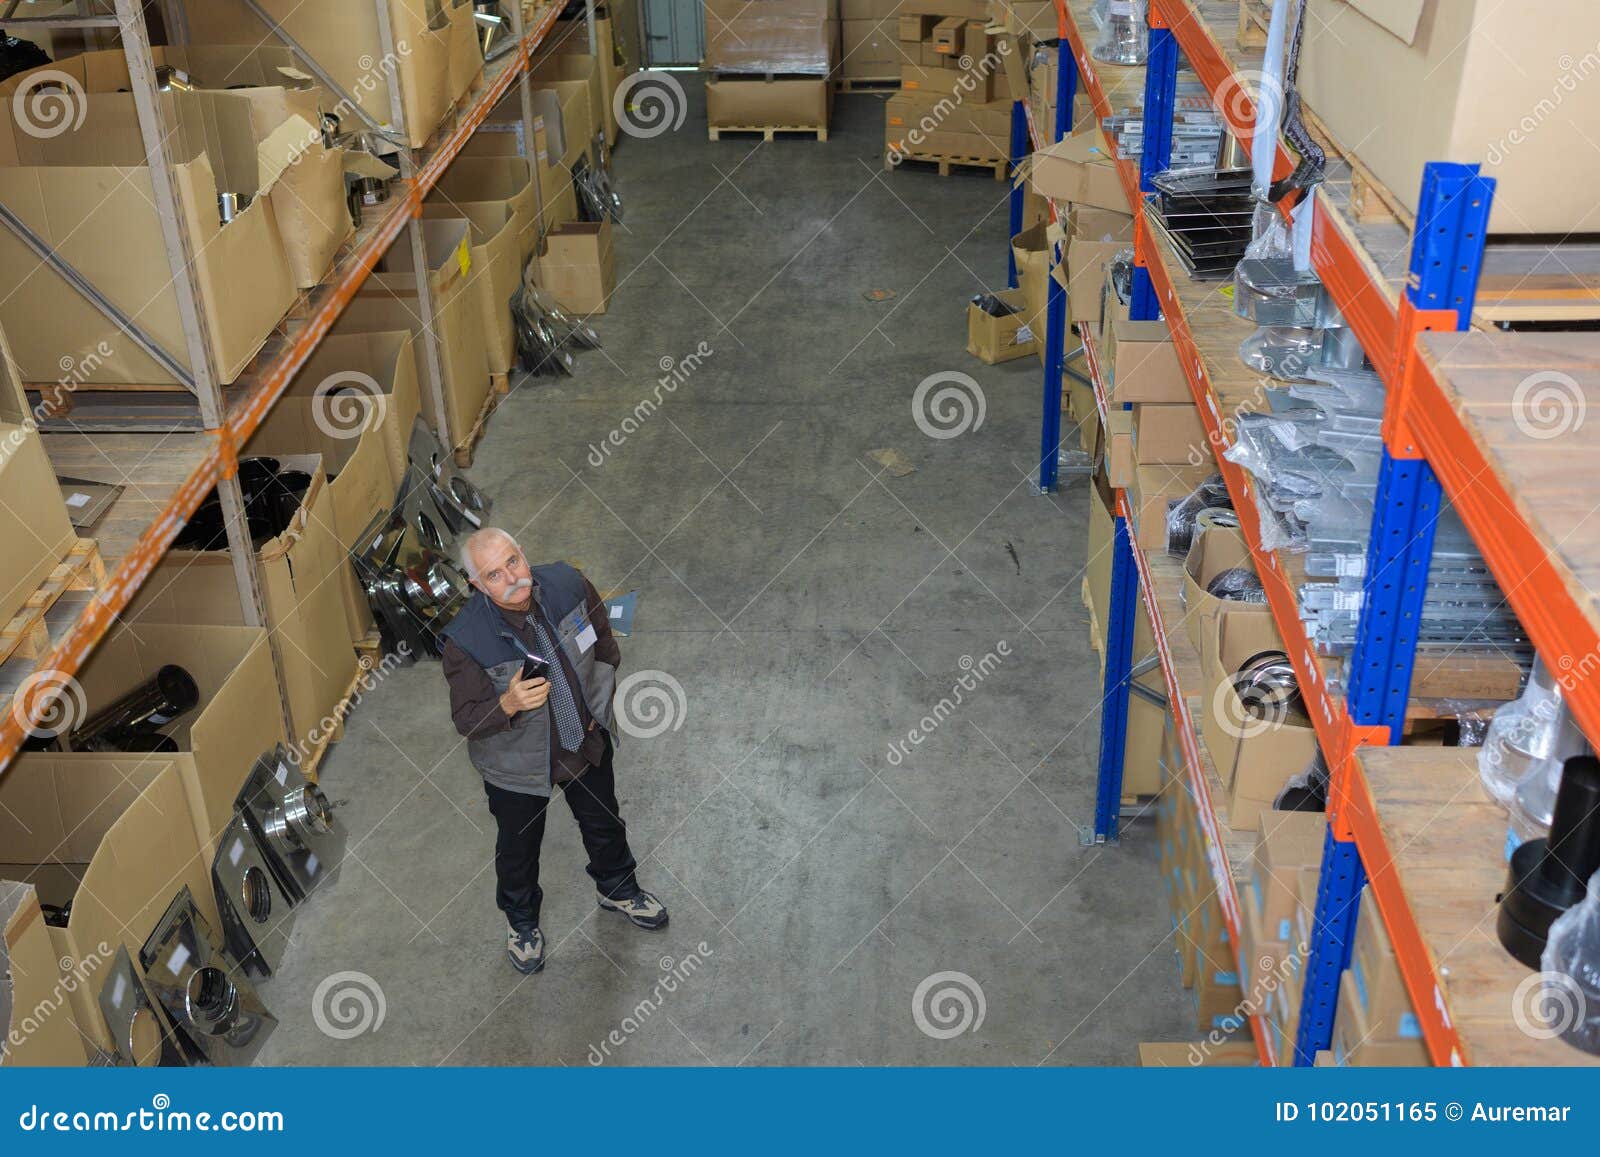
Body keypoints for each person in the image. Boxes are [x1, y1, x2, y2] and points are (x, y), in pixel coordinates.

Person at [442, 527, 667, 974]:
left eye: (513, 560)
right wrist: (506, 704)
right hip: (518, 768)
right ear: (477, 585)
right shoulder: (465, 641)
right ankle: (522, 924)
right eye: (494, 573)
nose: (511, 576)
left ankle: (617, 888)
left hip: (582, 738)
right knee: (519, 851)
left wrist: (596, 711)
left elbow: (603, 643)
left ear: (523, 553)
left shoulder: (568, 584)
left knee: (604, 822)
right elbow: (467, 719)